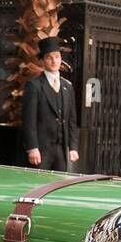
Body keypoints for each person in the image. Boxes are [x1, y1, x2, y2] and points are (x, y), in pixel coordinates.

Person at [21, 36, 80, 172]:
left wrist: (73, 147)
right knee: (39, 186)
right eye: (49, 57)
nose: (54, 61)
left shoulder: (67, 87)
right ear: (42, 60)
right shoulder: (34, 86)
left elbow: (72, 120)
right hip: (41, 150)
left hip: (61, 149)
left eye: (57, 57)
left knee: (59, 184)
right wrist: (32, 148)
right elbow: (29, 120)